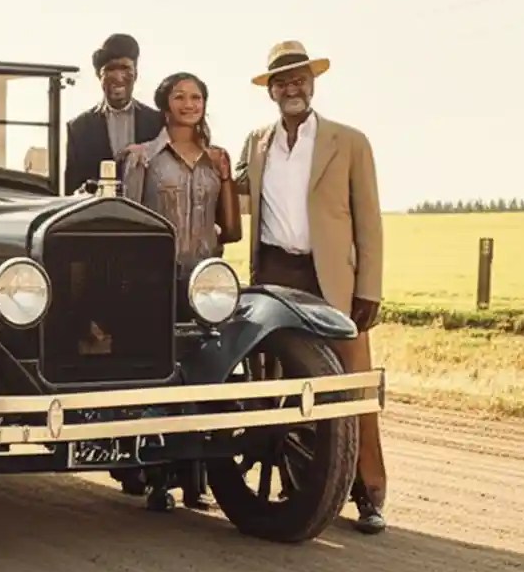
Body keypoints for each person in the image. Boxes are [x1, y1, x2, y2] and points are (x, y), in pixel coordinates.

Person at [233, 40, 387, 534]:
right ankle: (302, 485)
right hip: (276, 274)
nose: (291, 88)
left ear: (312, 84)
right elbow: (232, 190)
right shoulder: (257, 142)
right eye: (282, 82)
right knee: (285, 385)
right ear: (271, 91)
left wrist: (370, 289)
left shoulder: (350, 141)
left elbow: (369, 222)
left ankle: (369, 493)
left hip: (332, 279)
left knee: (350, 383)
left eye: (299, 79)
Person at [118, 72, 242, 511]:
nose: (190, 103)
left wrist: (226, 178)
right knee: (160, 375)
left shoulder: (216, 159)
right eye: (180, 96)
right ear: (165, 105)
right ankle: (155, 476)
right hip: (157, 281)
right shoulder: (143, 159)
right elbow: (129, 227)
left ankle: (196, 479)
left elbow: (234, 231)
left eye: (197, 96)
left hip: (207, 285)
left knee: (206, 371)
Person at [63, 33, 164, 195]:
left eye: (125, 68)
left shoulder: (158, 122)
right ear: (99, 76)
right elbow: (72, 187)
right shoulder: (79, 127)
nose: (118, 77)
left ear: (136, 74)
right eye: (110, 69)